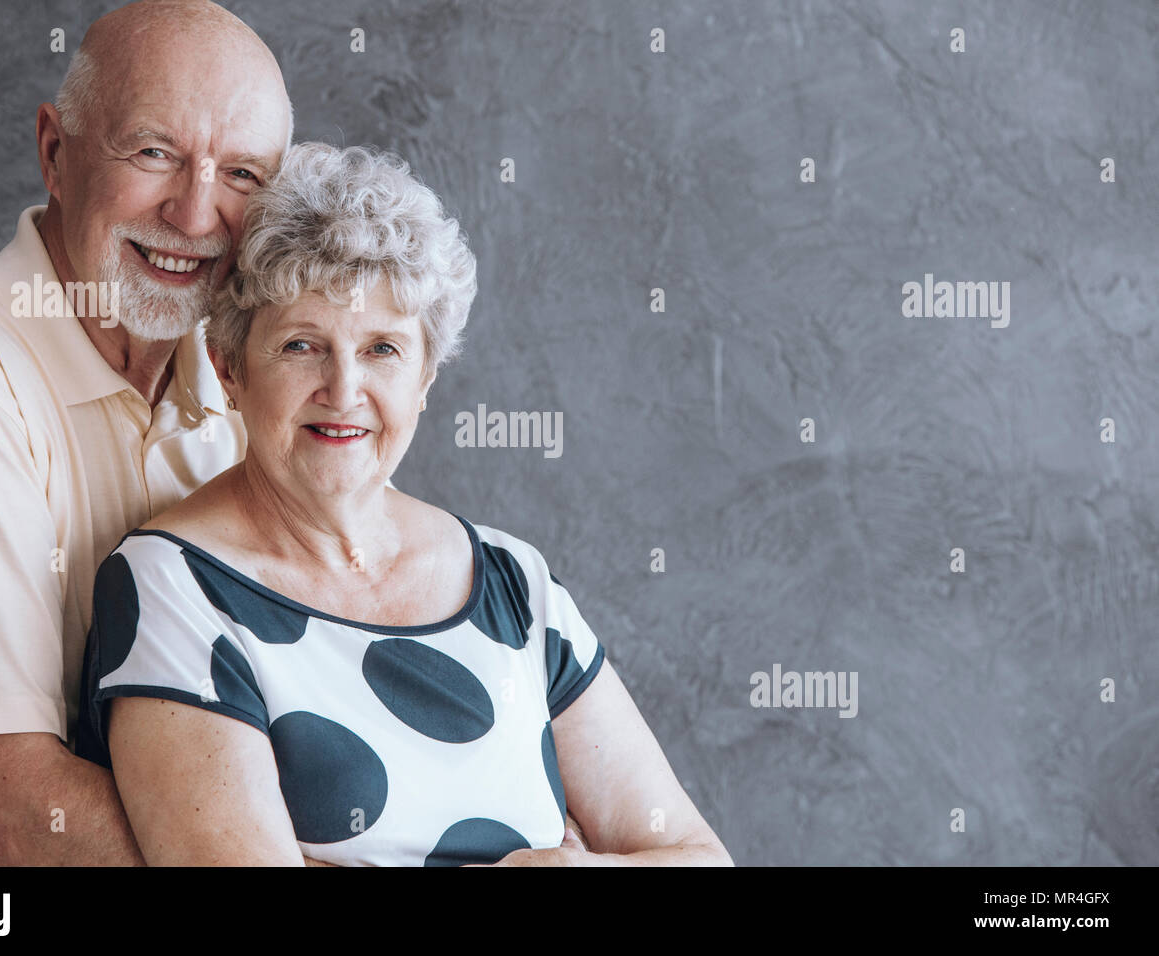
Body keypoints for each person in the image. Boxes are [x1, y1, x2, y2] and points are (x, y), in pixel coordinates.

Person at [76, 142, 733, 866]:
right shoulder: (171, 587)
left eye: (383, 349)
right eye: (301, 345)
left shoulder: (513, 583)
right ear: (231, 371)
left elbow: (692, 853)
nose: (344, 389)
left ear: (426, 376)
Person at [0, 0, 290, 865]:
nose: (196, 214)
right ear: (56, 154)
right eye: (155, 153)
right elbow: (5, 808)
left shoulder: (255, 387)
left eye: (242, 174)